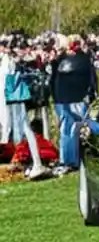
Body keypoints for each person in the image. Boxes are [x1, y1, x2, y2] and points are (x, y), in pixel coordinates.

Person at [50, 36, 96, 173]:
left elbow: (53, 80)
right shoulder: (83, 60)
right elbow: (92, 79)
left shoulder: (61, 62)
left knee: (68, 130)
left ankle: (69, 160)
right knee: (78, 130)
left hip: (66, 99)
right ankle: (76, 158)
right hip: (76, 98)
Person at [3, 44, 49, 179]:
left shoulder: (12, 62)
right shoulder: (12, 61)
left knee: (25, 130)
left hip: (16, 98)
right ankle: (30, 162)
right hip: (14, 98)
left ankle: (36, 163)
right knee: (22, 132)